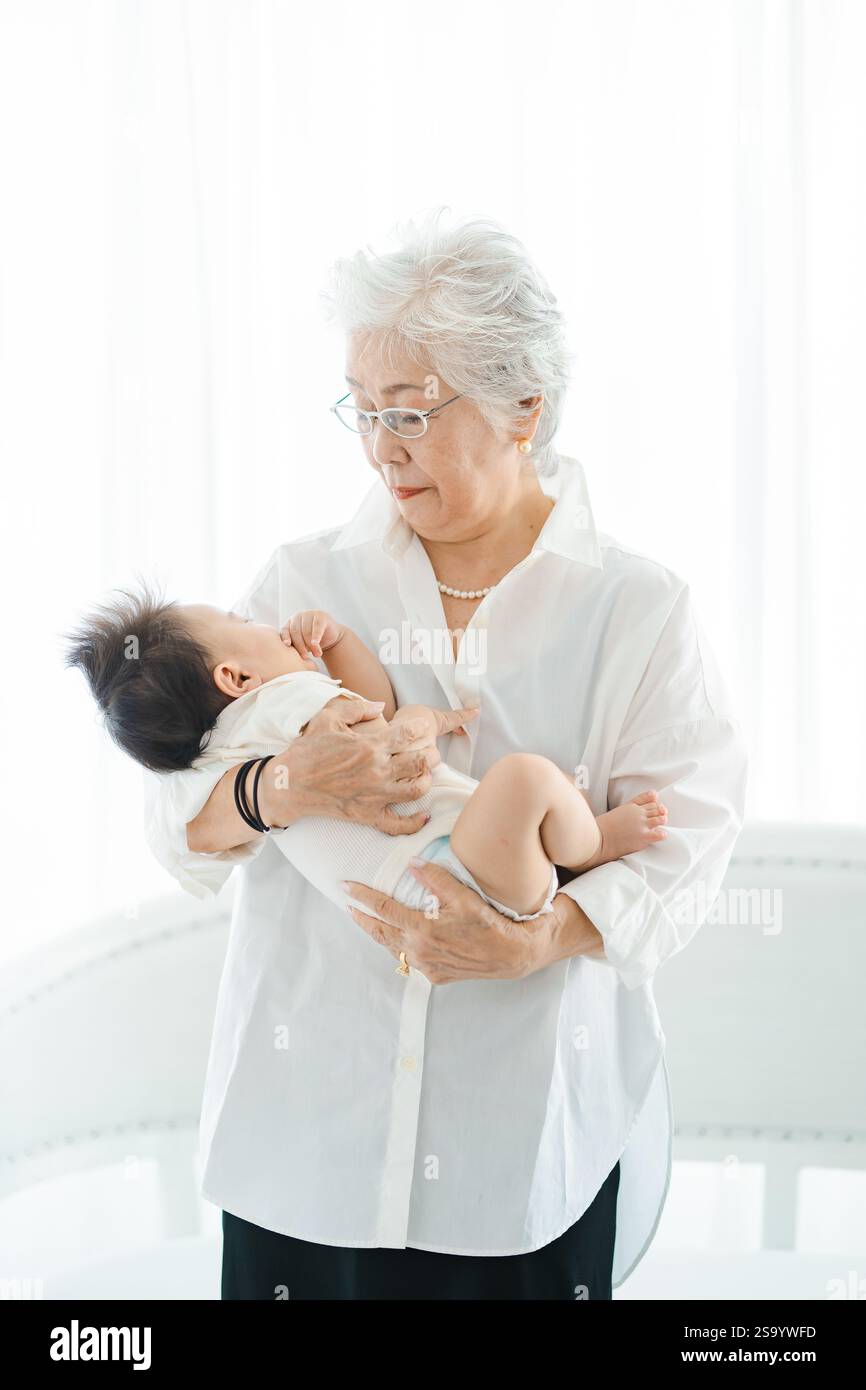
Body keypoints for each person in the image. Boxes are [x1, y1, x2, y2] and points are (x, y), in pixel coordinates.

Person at [141, 209, 748, 1300]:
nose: (381, 446)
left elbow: (687, 844)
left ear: (525, 406)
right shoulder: (299, 581)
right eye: (363, 413)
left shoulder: (637, 607)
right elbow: (172, 821)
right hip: (304, 1152)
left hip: (517, 1157)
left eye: (411, 411)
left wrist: (536, 937)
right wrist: (275, 786)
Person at [65, 591, 669, 932]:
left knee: (538, 789)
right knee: (530, 778)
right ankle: (591, 845)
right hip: (454, 869)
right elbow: (375, 708)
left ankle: (565, 848)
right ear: (236, 677)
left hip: (432, 886)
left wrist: (336, 649)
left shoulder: (218, 752)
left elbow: (366, 709)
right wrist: (343, 654)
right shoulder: (277, 705)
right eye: (244, 622)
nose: (264, 622)